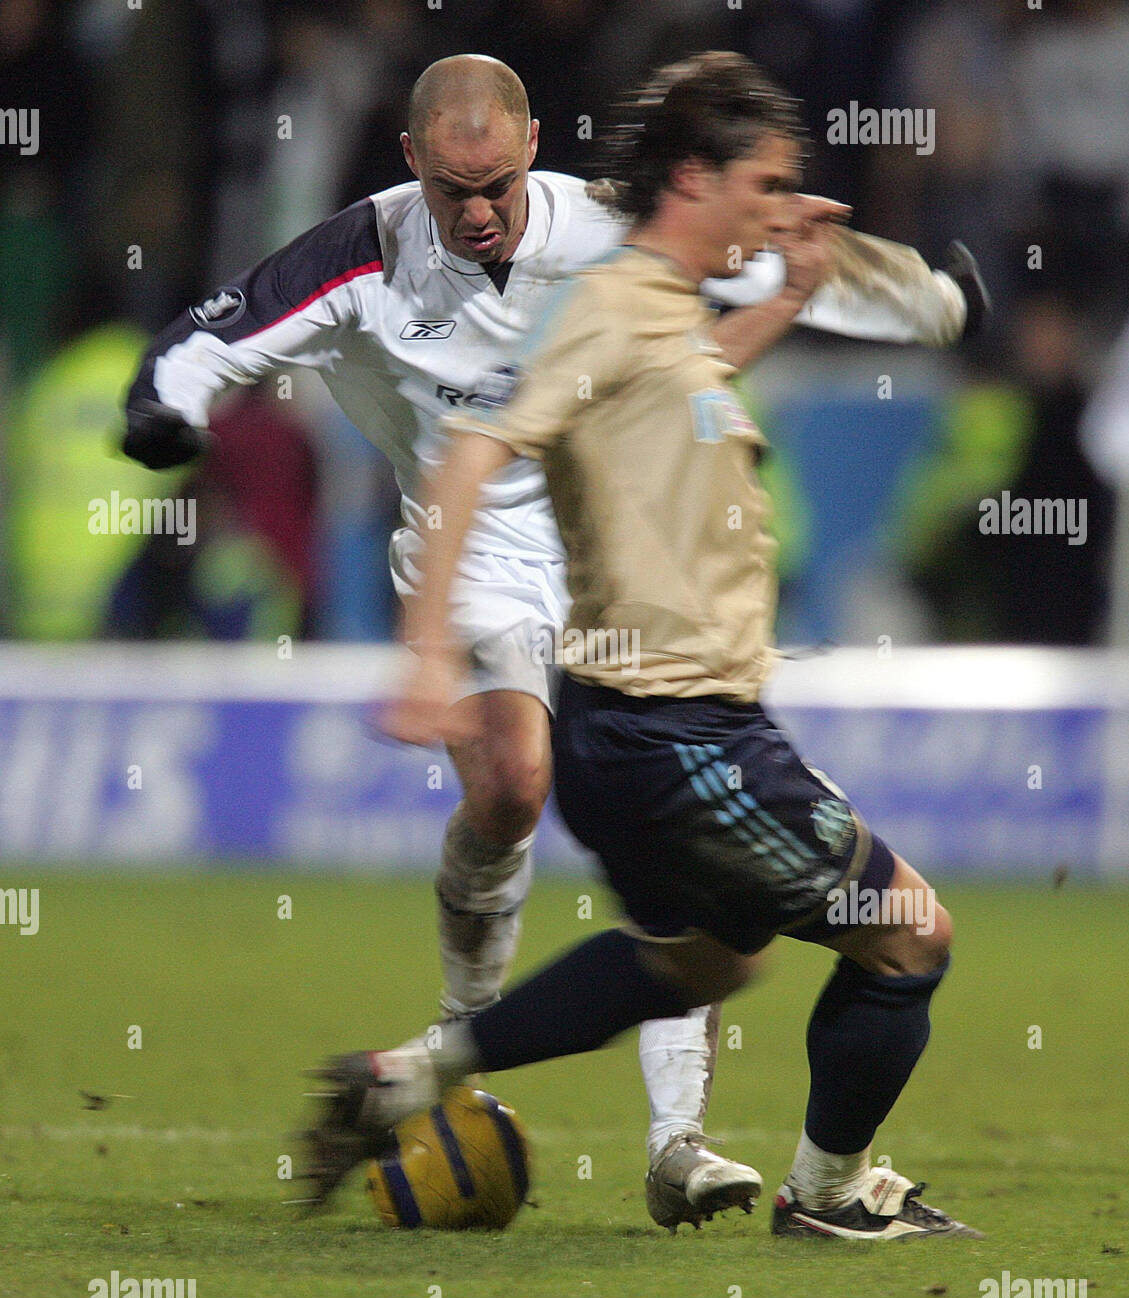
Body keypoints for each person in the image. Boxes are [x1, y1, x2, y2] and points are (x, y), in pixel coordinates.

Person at [122, 53, 981, 1231]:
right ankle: (473, 1064)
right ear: (412, 159)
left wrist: (919, 299)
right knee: (552, 799)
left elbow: (765, 257)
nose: (476, 216)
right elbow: (226, 332)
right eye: (450, 191)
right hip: (472, 556)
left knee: (692, 944)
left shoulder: (615, 244)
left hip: (595, 577)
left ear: (531, 144)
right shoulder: (366, 253)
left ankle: (633, 1128)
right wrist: (167, 405)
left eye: (496, 185)